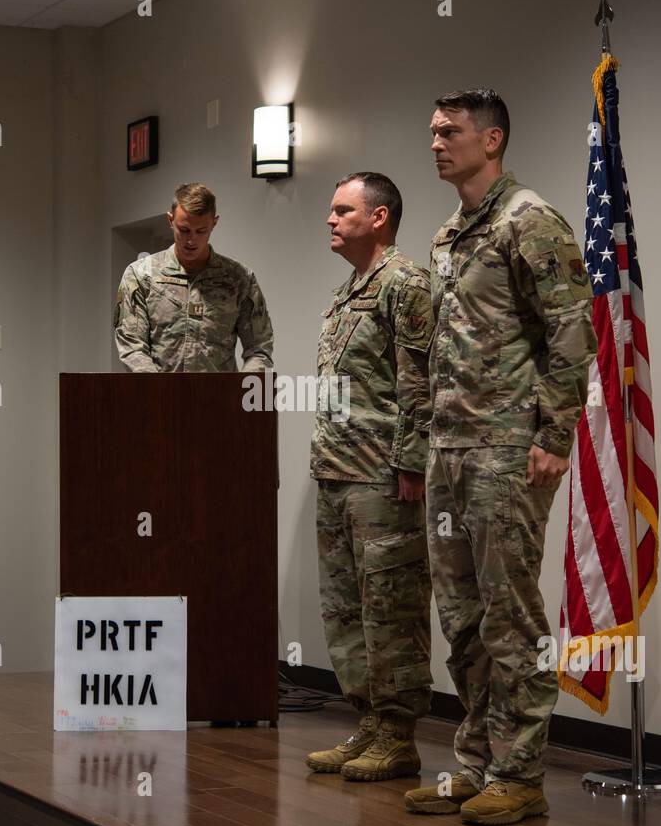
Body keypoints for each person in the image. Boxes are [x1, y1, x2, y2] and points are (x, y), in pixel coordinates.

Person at [403, 89, 597, 825]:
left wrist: (554, 436)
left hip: (507, 451)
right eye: (432, 131)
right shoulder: (449, 233)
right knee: (461, 617)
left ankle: (520, 774)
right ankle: (476, 765)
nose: (436, 143)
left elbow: (571, 330)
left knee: (510, 617)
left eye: (449, 132)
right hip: (449, 449)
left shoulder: (531, 221)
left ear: (493, 141)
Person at [306, 172, 436, 781]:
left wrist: (410, 463)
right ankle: (369, 723)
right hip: (336, 472)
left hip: (383, 476)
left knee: (392, 605)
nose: (330, 221)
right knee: (345, 608)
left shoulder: (404, 284)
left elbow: (420, 382)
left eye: (342, 211)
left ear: (379, 217)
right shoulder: (346, 291)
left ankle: (399, 732)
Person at [113, 182, 275, 372]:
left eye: (201, 231)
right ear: (170, 220)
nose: (192, 240)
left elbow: (259, 347)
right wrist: (159, 392)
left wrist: (239, 391)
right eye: (184, 230)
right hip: (158, 397)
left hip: (220, 398)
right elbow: (132, 347)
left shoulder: (239, 279)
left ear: (214, 223)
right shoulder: (141, 275)